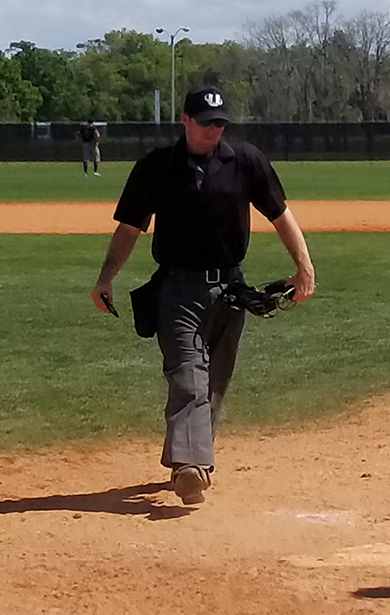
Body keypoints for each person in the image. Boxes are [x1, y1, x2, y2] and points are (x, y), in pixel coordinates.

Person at [87, 88, 316, 505]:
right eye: (207, 122)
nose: (215, 129)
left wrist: (305, 267)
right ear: (186, 121)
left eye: (220, 122)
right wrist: (105, 278)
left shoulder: (245, 161)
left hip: (231, 288)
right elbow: (130, 228)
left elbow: (280, 214)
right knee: (187, 372)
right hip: (178, 287)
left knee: (215, 380)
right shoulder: (157, 166)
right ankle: (191, 465)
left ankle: (189, 458)